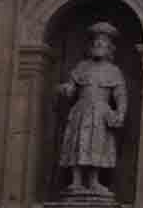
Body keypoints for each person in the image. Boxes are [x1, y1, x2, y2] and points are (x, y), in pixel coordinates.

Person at [54, 22, 129, 197]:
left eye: (102, 44)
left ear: (109, 48)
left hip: (102, 113)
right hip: (81, 111)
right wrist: (66, 88)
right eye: (95, 43)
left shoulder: (113, 71)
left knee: (98, 145)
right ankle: (76, 181)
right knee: (78, 143)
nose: (98, 46)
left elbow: (120, 95)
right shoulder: (82, 67)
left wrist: (120, 113)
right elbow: (72, 87)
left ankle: (94, 181)